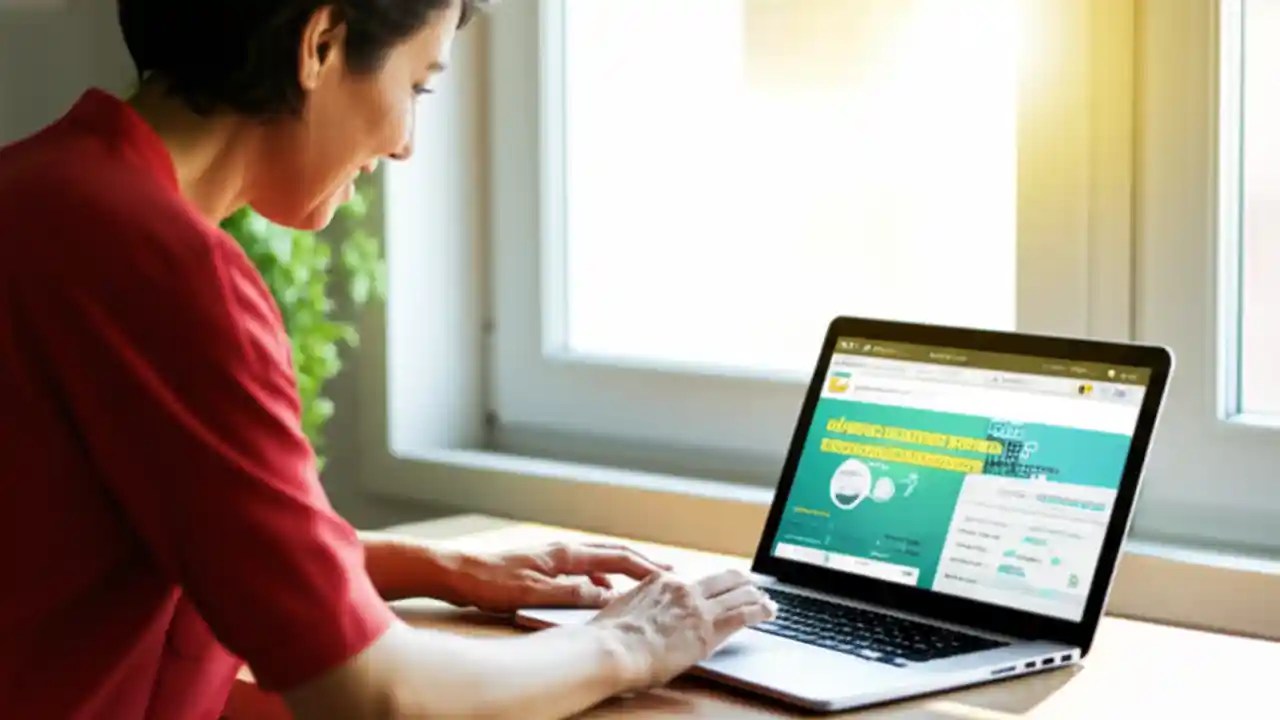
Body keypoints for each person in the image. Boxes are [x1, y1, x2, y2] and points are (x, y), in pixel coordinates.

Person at [0, 0, 775, 717]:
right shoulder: (168, 272)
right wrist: (627, 644)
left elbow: (179, 538)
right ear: (321, 43)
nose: (405, 143)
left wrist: (441, 569)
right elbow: (372, 695)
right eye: (419, 84)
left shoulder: (37, 190)